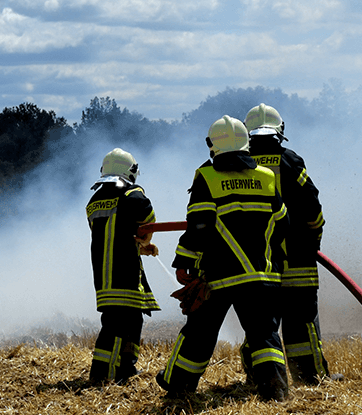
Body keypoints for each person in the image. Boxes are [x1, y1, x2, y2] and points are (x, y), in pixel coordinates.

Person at [156, 116, 290, 401]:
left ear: (212, 146)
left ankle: (178, 386)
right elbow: (282, 224)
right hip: (261, 274)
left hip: (219, 275)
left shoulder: (207, 176)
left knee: (200, 333)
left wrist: (184, 262)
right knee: (265, 335)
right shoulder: (266, 177)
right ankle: (275, 392)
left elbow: (200, 226)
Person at [242, 103, 338, 384]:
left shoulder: (236, 165)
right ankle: (310, 377)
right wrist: (314, 237)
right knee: (302, 321)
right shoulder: (290, 161)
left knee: (261, 325)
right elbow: (312, 208)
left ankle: (259, 377)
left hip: (256, 265)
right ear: (279, 131)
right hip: (297, 260)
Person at [86, 148, 160, 385]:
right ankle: (102, 374)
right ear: (131, 172)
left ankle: (125, 368)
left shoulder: (94, 201)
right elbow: (149, 221)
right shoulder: (133, 196)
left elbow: (112, 235)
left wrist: (140, 246)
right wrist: (145, 241)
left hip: (104, 277)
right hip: (125, 274)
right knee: (118, 326)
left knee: (126, 321)